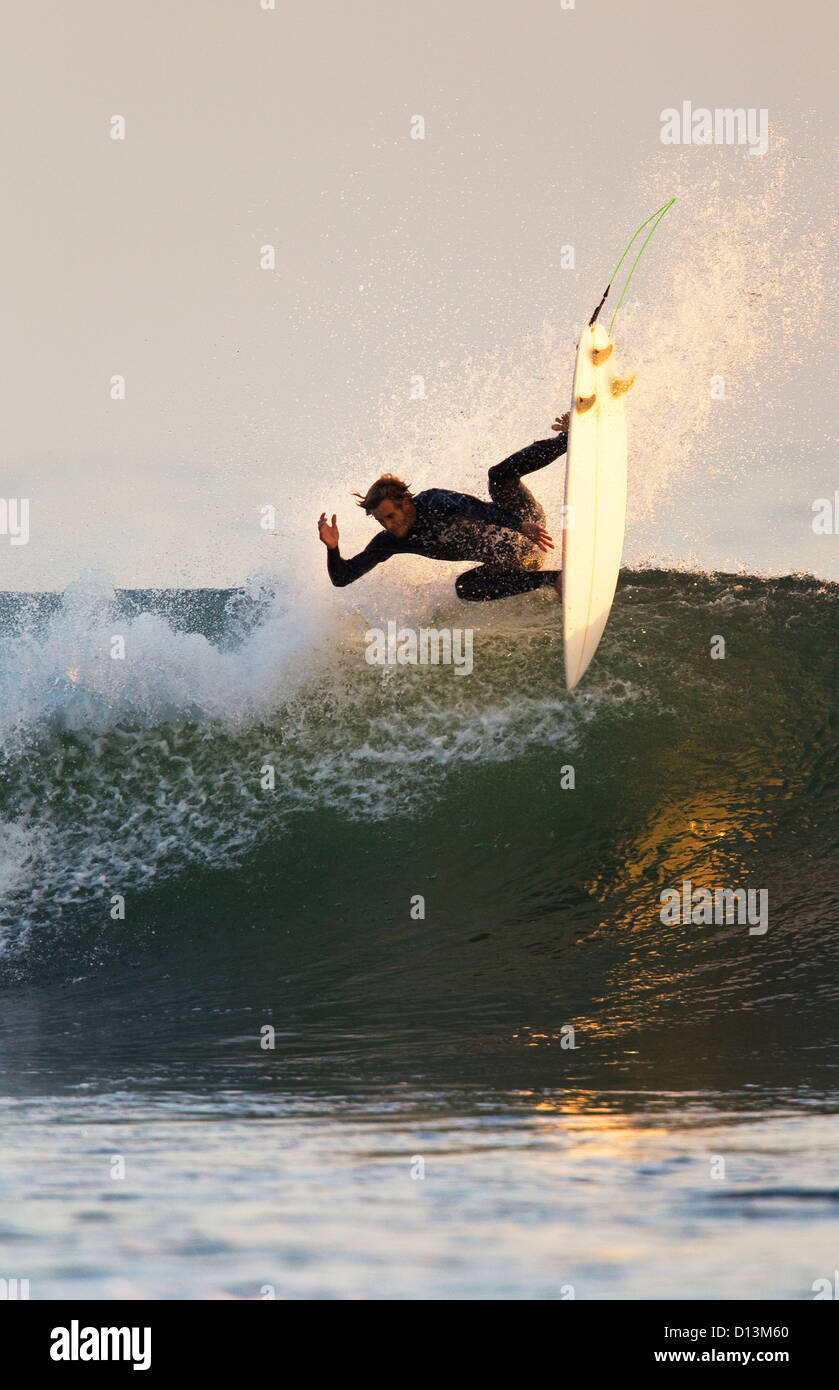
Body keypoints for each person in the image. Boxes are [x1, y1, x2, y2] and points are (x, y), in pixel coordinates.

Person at [318, 413, 569, 601]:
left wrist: (521, 525)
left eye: (390, 516)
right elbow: (343, 578)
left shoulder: (433, 502)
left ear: (405, 501)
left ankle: (566, 440)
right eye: (381, 521)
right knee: (465, 587)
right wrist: (333, 548)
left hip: (526, 524)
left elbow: (475, 507)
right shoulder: (391, 541)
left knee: (498, 476)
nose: (389, 525)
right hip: (515, 559)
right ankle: (552, 579)